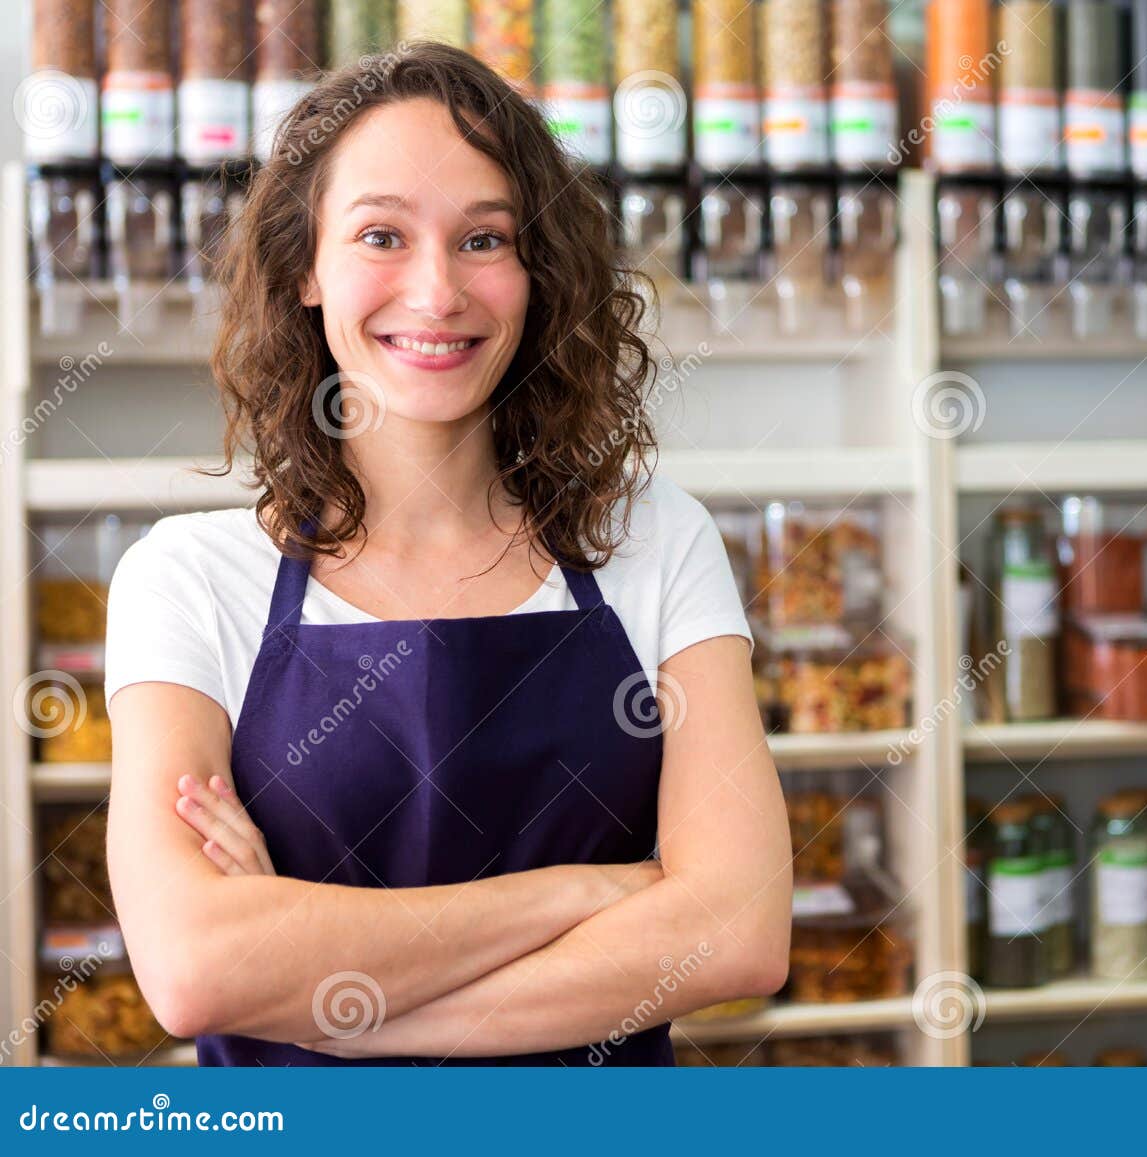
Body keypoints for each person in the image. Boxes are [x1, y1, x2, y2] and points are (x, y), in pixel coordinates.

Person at [104, 41, 792, 1067]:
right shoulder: (188, 578)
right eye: (381, 233)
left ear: (537, 274)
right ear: (304, 267)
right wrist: (598, 889)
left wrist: (327, 998)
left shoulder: (654, 540)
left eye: (484, 239)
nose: (435, 292)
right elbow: (196, 969)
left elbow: (736, 934)